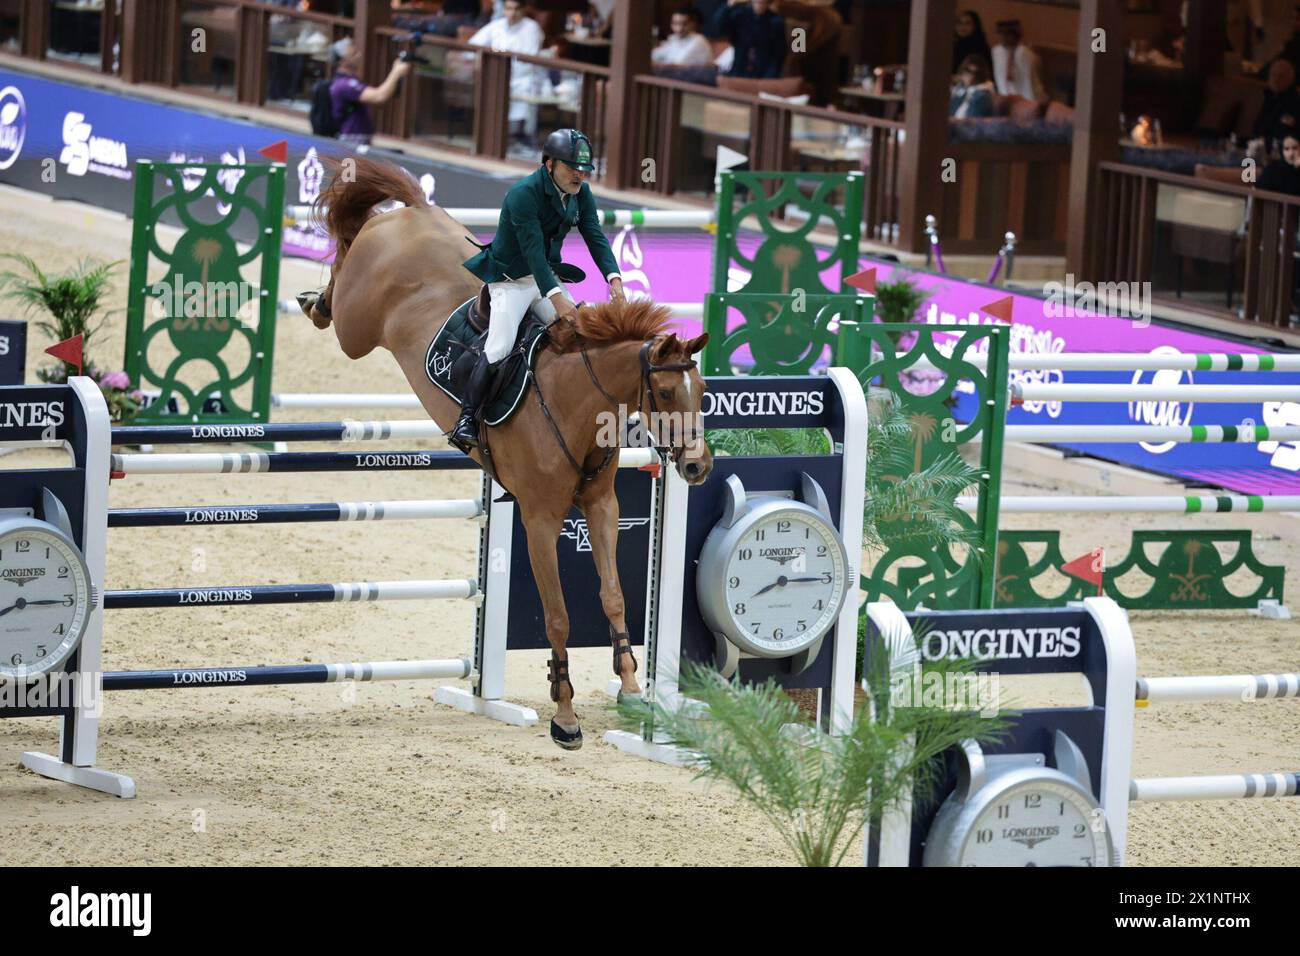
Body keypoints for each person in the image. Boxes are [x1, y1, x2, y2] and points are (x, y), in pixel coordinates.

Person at [452, 129, 625, 451]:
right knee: (500, 346)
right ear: (549, 163)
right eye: (572, 167)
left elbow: (595, 236)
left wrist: (614, 279)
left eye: (584, 169)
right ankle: (466, 419)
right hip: (511, 279)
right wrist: (557, 299)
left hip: (547, 277)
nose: (579, 175)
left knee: (580, 336)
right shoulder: (523, 194)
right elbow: (532, 251)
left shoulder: (580, 194)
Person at [467, 0, 546, 141]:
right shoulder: (497, 25)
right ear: (504, 10)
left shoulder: (531, 27)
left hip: (523, 77)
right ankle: (491, 136)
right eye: (509, 9)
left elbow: (529, 57)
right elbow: (473, 46)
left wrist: (499, 52)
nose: (512, 13)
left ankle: (519, 136)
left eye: (516, 9)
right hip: (497, 75)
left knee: (524, 88)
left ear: (523, 10)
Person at [328, 38, 411, 148]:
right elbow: (379, 96)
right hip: (351, 140)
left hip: (358, 139)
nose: (359, 56)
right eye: (354, 54)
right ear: (343, 61)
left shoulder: (348, 82)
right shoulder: (345, 85)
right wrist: (396, 72)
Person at [708, 0, 786, 79]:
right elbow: (718, 26)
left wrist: (768, 80)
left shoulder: (776, 22)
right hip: (737, 72)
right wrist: (730, 5)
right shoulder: (741, 14)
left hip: (762, 76)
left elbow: (778, 56)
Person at [990, 19, 1045, 103]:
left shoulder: (1026, 54)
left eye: (1008, 34)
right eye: (1001, 33)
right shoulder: (996, 52)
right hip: (1005, 98)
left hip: (1027, 99)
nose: (1004, 37)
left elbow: (1032, 82)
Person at [1252, 58, 1300, 150]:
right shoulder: (1268, 98)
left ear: (1290, 79)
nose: (1276, 79)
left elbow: (1286, 134)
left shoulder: (1294, 103)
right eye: (1273, 75)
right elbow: (1257, 129)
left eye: (1281, 76)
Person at [949, 54, 995, 119]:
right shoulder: (960, 90)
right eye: (968, 71)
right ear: (962, 71)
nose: (972, 76)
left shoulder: (982, 96)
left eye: (977, 73)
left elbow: (972, 123)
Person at [952, 9, 991, 75]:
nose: (963, 26)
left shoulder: (980, 47)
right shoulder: (953, 46)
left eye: (968, 23)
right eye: (959, 23)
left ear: (975, 26)